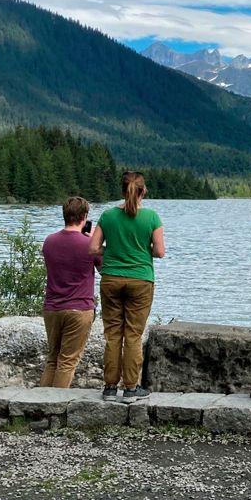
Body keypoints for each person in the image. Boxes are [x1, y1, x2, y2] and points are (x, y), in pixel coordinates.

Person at [89, 172, 164, 403]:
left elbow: (93, 248)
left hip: (111, 278)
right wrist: (143, 250)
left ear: (122, 191)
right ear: (143, 191)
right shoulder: (152, 217)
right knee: (133, 334)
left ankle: (110, 387)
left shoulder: (108, 216)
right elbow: (159, 252)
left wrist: (111, 251)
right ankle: (131, 389)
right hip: (141, 280)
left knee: (113, 334)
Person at [40, 196, 100, 388]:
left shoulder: (49, 241)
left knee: (52, 359)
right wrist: (93, 240)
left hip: (52, 308)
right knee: (67, 362)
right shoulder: (88, 245)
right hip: (79, 308)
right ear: (84, 216)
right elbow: (105, 268)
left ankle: (38, 404)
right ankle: (55, 409)